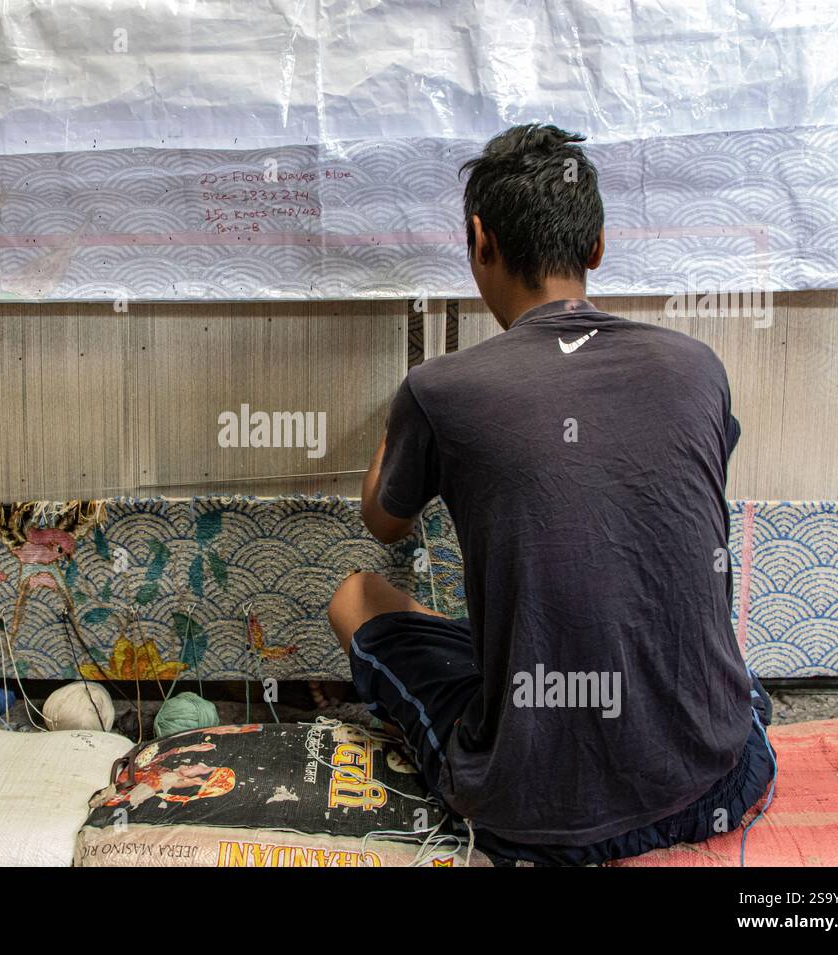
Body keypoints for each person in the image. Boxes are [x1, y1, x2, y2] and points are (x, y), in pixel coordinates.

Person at [327, 123, 775, 865]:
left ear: (479, 239)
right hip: (720, 775)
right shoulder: (698, 367)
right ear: (597, 246)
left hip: (534, 811)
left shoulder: (442, 390)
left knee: (357, 597)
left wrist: (403, 421)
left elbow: (385, 522)